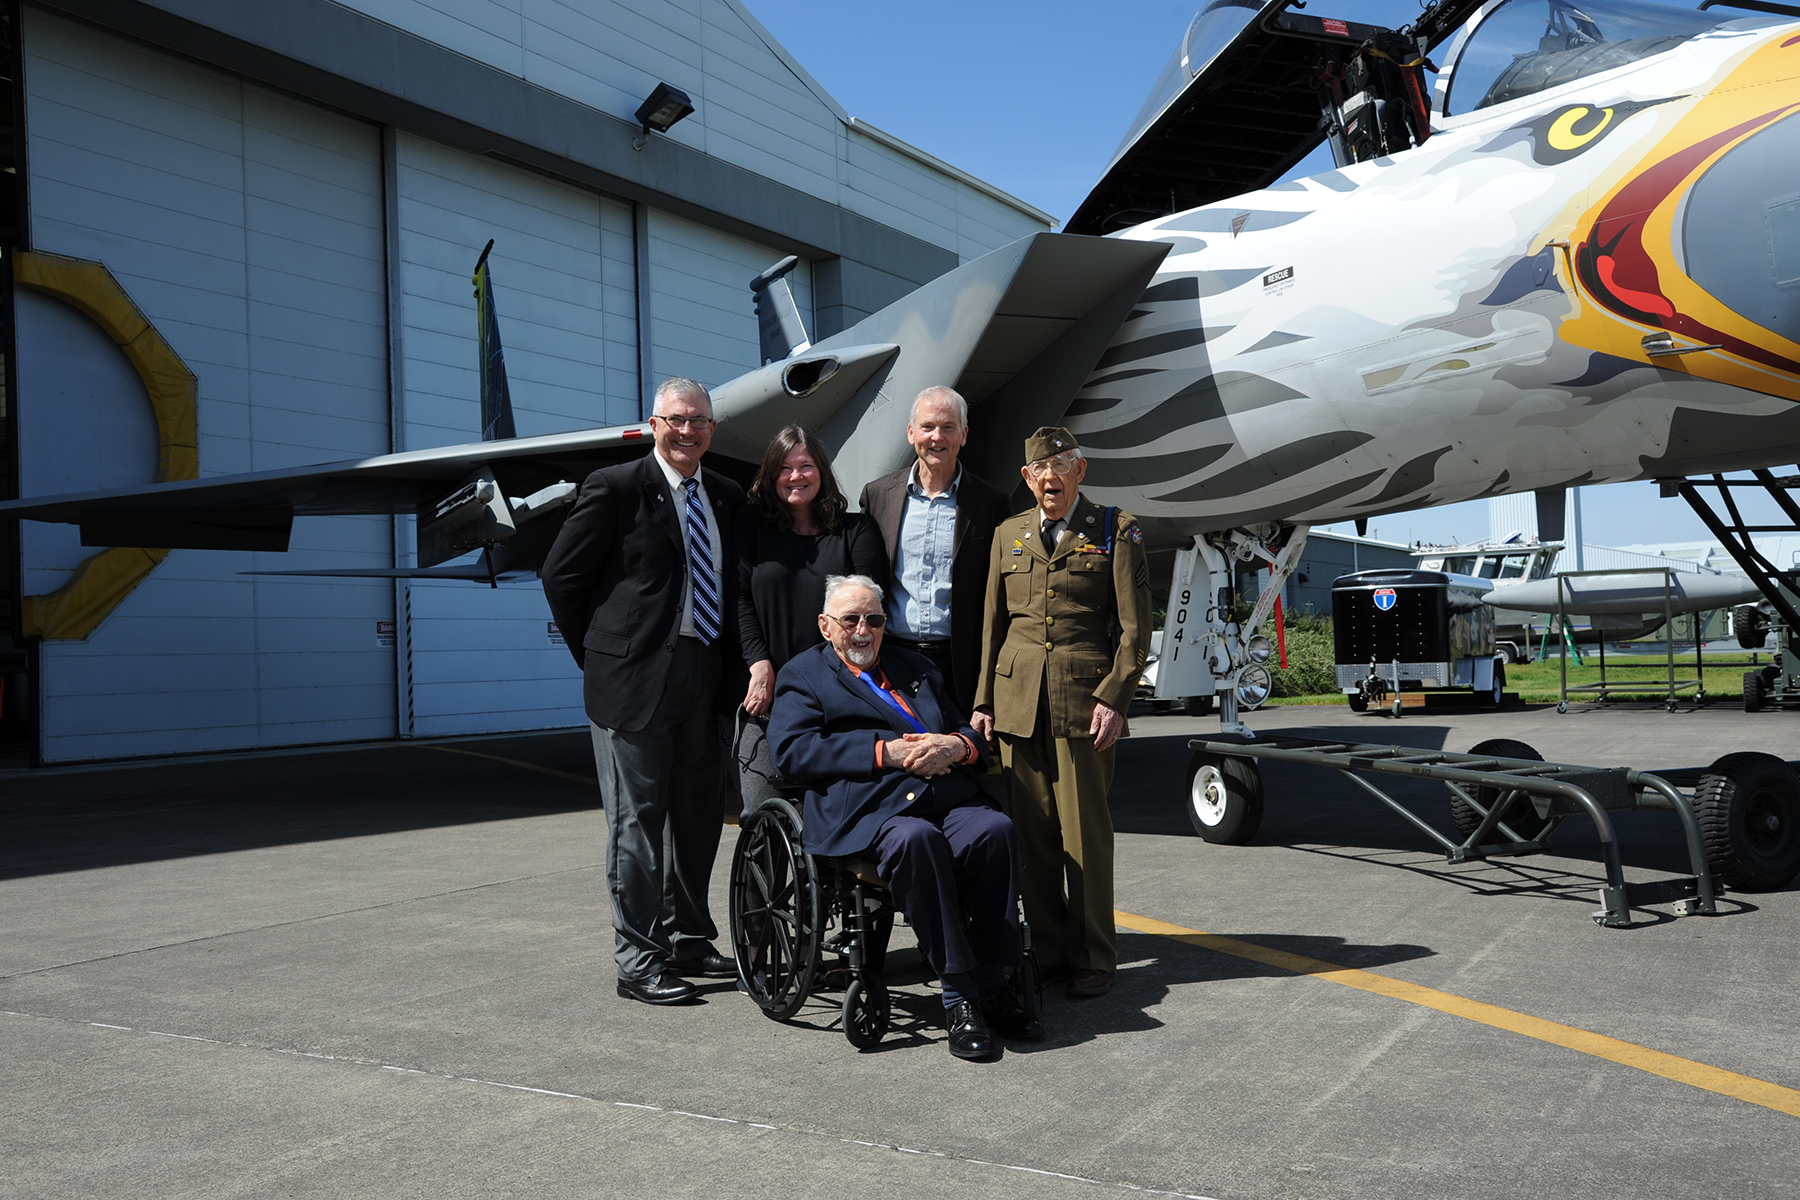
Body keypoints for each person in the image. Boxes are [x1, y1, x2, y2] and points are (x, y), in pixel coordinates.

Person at [768, 574, 1043, 1060]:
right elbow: (792, 752)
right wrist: (883, 752)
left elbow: (965, 730)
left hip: (947, 793)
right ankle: (959, 994)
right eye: (850, 619)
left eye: (873, 620)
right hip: (874, 807)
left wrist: (957, 745)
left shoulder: (914, 666)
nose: (862, 630)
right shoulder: (803, 674)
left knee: (996, 830)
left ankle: (993, 983)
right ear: (825, 625)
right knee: (917, 841)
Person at [541, 377, 746, 1006]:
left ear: (713, 429)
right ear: (654, 423)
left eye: (701, 422)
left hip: (702, 675)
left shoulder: (728, 496)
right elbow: (560, 576)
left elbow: (736, 586)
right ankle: (638, 958)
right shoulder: (616, 487)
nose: (689, 431)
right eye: (678, 420)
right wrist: (602, 655)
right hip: (630, 682)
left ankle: (687, 934)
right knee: (636, 824)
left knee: (698, 816)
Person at [972, 426, 1151, 1000]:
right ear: (1027, 478)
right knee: (1033, 837)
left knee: (1084, 836)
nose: (1049, 479)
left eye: (1061, 467)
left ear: (1081, 470)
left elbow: (1133, 629)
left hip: (1084, 701)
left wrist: (1115, 697)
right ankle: (1048, 952)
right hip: (1017, 700)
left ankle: (1094, 953)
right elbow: (991, 628)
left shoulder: (1114, 529)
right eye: (1038, 471)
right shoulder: (1008, 534)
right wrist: (982, 701)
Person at [734, 425, 888, 815]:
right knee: (761, 816)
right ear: (771, 477)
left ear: (822, 470)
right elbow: (738, 599)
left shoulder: (857, 531)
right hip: (769, 695)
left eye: (806, 465)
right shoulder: (750, 525)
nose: (796, 476)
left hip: (841, 698)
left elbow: (866, 620)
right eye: (784, 468)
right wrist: (758, 663)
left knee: (836, 816)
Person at [857, 385, 1009, 718]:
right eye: (927, 426)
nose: (936, 437)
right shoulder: (878, 496)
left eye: (948, 427)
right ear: (911, 433)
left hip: (960, 664)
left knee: (961, 759)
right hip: (892, 658)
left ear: (964, 435)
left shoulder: (992, 503)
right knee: (902, 761)